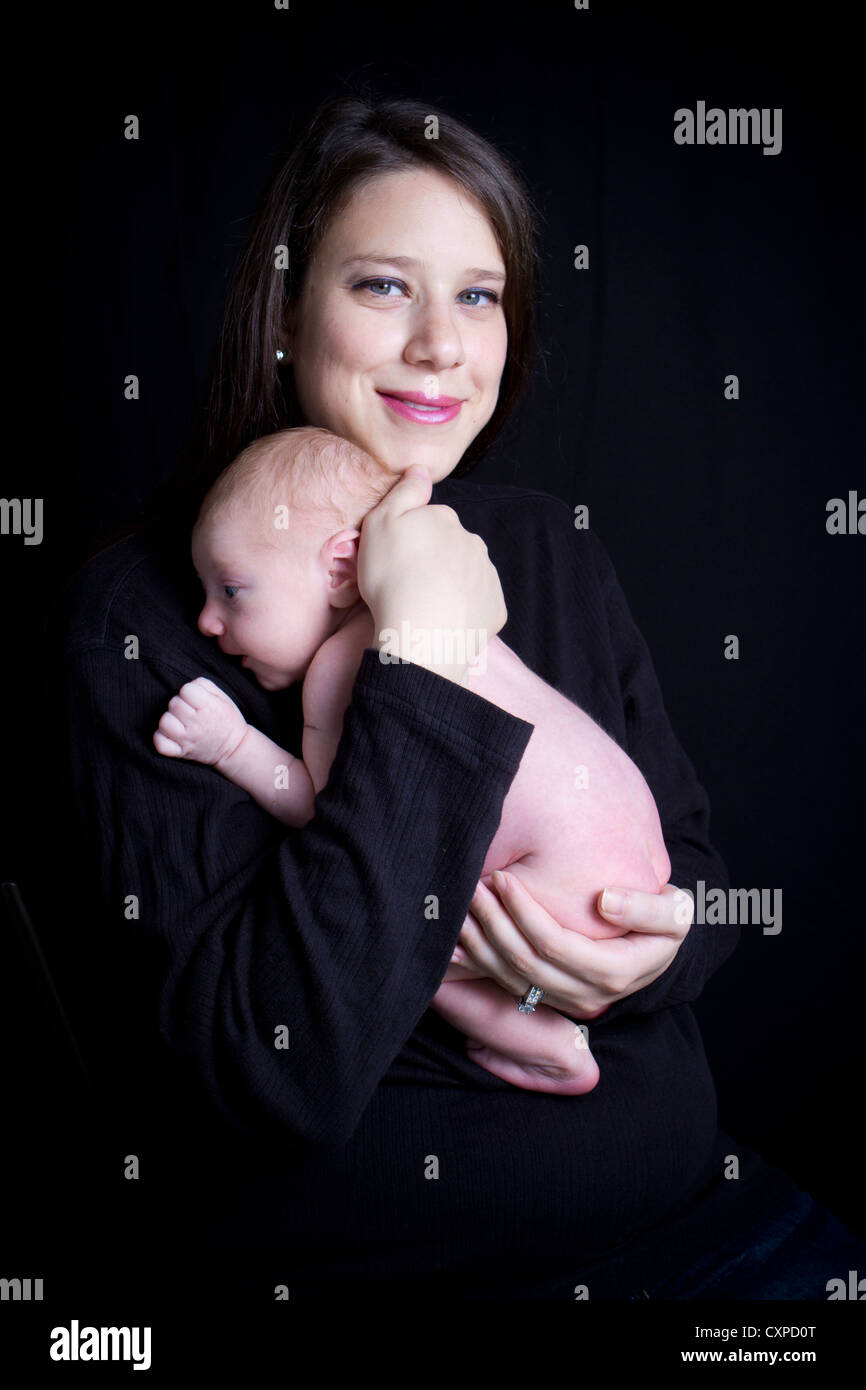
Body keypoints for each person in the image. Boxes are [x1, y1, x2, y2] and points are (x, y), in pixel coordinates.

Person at [61, 92, 865, 1300]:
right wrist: (421, 652)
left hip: (709, 1233)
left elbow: (702, 872)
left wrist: (640, 957)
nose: (443, 344)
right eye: (384, 286)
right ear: (285, 317)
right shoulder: (155, 613)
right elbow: (284, 1068)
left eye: (477, 295)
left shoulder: (548, 549)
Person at [152, 423, 676, 1096]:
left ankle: (543, 1040)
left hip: (558, 886)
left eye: (230, 590)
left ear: (341, 568)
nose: (206, 621)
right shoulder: (458, 618)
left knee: (407, 937)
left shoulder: (346, 665)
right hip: (637, 868)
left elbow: (332, 811)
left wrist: (230, 744)